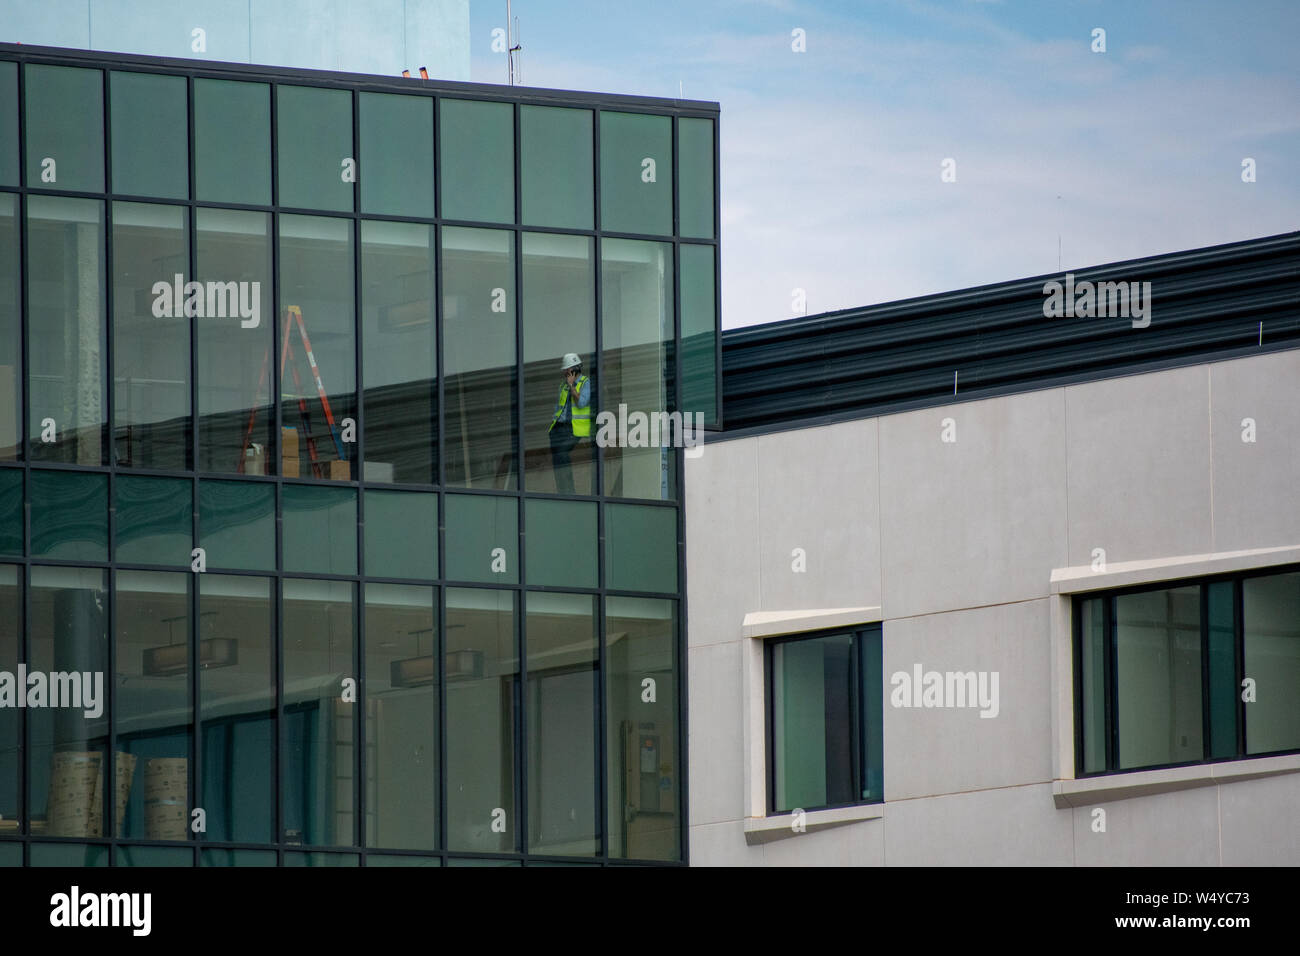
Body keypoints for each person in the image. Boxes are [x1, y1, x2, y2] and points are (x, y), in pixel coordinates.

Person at [548, 352, 592, 494]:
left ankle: (569, 491)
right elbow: (558, 407)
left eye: (568, 370)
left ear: (575, 369)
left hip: (574, 428)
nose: (565, 373)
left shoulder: (585, 382)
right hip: (559, 428)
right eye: (565, 370)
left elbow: (581, 403)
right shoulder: (563, 385)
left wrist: (572, 386)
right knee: (557, 459)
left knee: (562, 454)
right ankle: (562, 490)